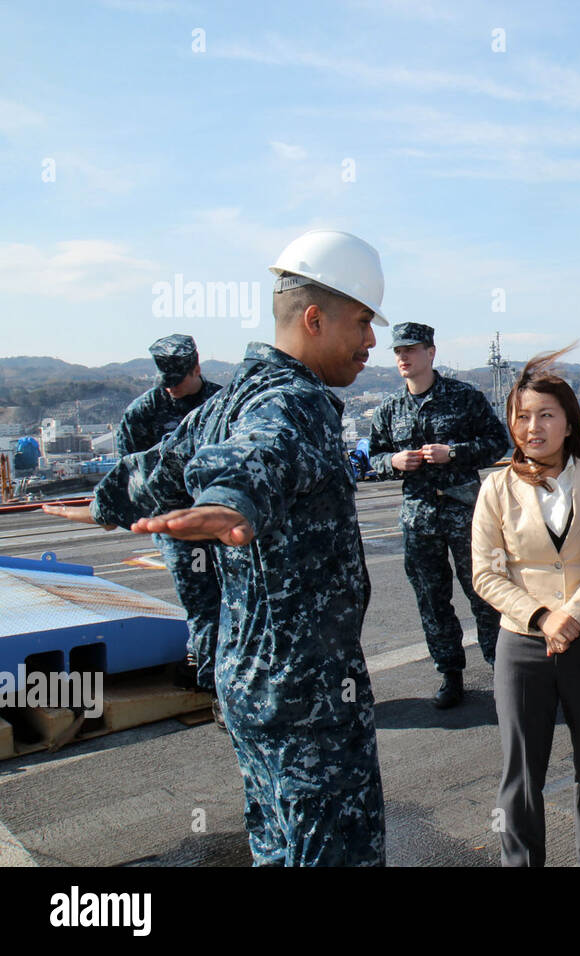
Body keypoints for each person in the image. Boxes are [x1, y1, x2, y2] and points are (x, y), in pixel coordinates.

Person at [45, 229, 390, 866]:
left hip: (250, 681)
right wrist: (231, 498)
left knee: (275, 848)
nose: (373, 342)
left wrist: (103, 501)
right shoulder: (296, 402)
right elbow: (259, 454)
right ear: (314, 319)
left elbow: (158, 467)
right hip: (308, 694)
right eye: (364, 322)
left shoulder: (227, 400)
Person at [471, 347, 580, 866]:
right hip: (522, 645)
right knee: (521, 775)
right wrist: (542, 617)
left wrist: (574, 613)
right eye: (522, 417)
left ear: (569, 423)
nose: (533, 427)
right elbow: (486, 573)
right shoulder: (496, 487)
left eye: (546, 415)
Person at [367, 322, 509, 708]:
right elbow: (373, 457)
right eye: (398, 352)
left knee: (484, 593)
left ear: (431, 353)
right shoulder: (389, 409)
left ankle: (503, 670)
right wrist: (393, 461)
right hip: (418, 518)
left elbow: (498, 441)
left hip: (466, 513)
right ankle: (449, 674)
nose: (403, 357)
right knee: (431, 600)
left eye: (410, 350)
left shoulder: (464, 398)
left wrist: (456, 453)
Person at [115, 334, 223, 697]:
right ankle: (214, 686)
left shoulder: (222, 403)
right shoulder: (142, 413)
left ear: (196, 368)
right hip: (178, 527)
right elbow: (128, 473)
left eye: (180, 380)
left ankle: (207, 661)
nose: (173, 389)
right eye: (167, 382)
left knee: (235, 599)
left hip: (221, 521)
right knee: (202, 602)